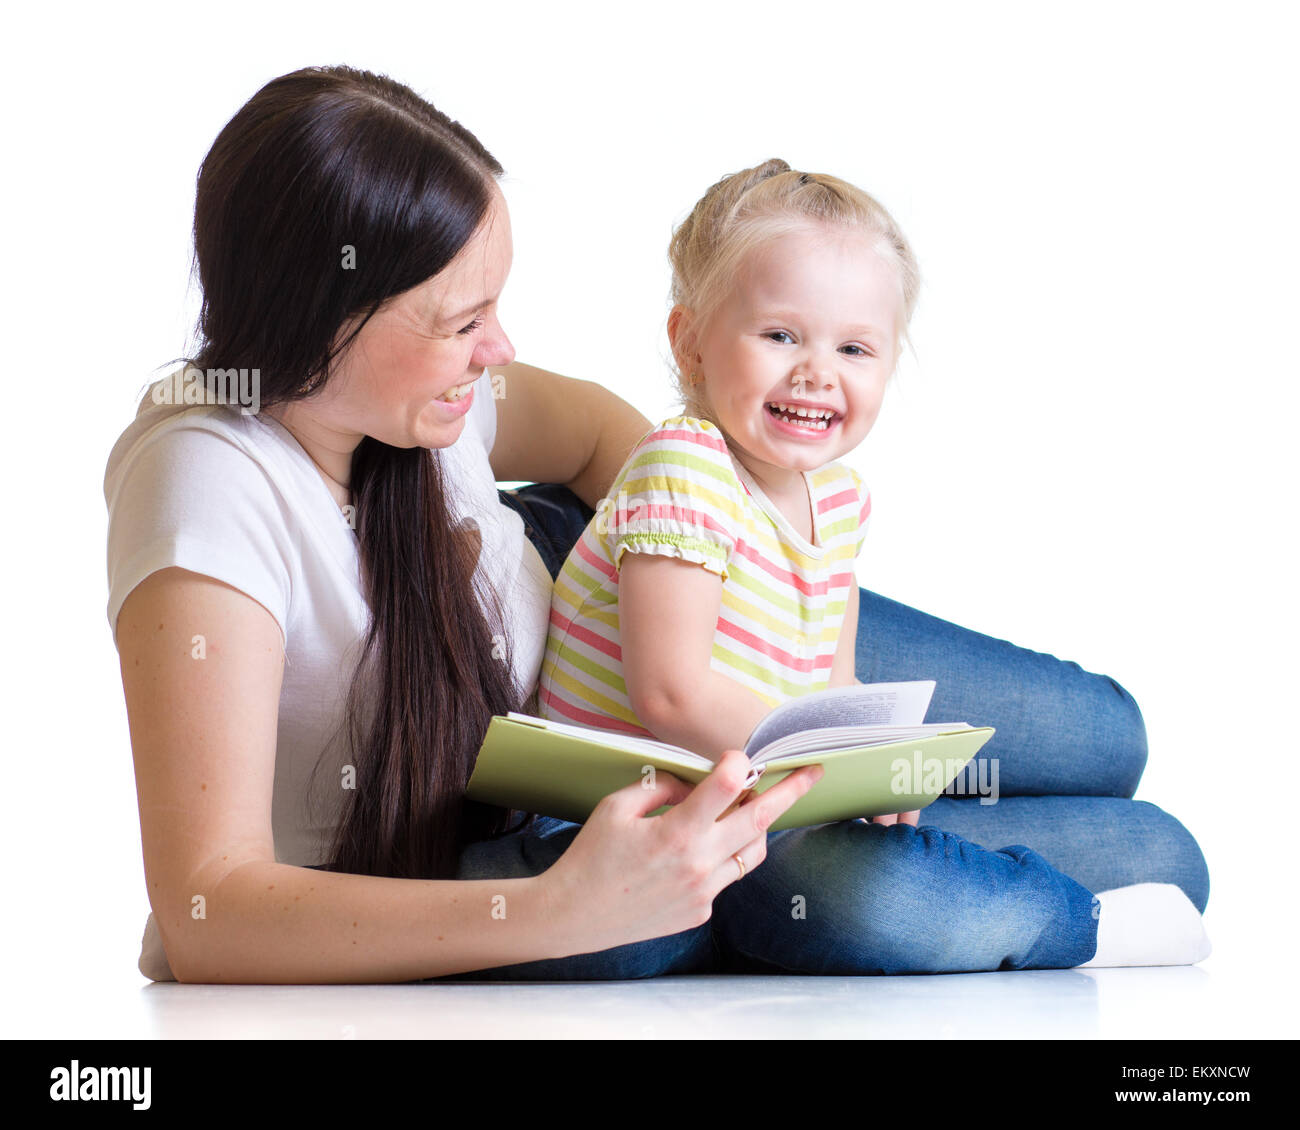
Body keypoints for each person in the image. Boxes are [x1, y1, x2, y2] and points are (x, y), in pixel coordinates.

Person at [105, 66, 1208, 984]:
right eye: (462, 319)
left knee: (1109, 735)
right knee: (1161, 857)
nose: (500, 348)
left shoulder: (425, 394)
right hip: (566, 768)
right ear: (323, 317)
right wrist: (555, 909)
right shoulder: (207, 484)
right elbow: (206, 910)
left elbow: (596, 441)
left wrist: (699, 539)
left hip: (646, 604)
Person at [529, 159, 1211, 972]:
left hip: (769, 802)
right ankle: (1078, 930)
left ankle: (956, 895)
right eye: (781, 335)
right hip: (643, 822)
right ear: (691, 342)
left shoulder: (841, 500)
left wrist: (880, 771)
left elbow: (836, 684)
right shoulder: (683, 461)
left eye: (855, 347)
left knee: (1173, 860)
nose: (817, 371)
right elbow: (671, 693)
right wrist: (827, 771)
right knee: (874, 899)